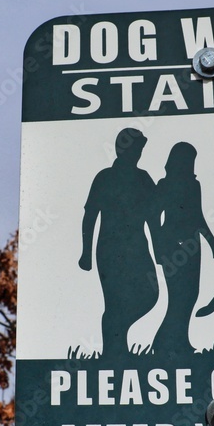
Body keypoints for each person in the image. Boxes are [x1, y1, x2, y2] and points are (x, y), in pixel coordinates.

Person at [79, 128, 159, 358]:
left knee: (150, 294)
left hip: (138, 248)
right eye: (136, 149)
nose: (138, 154)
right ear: (124, 149)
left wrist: (159, 247)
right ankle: (114, 353)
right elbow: (90, 214)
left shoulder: (143, 179)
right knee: (114, 302)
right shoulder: (104, 177)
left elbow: (153, 218)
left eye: (140, 150)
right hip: (109, 249)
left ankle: (117, 339)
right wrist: (85, 253)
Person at [152, 142, 214, 355]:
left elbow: (198, 216)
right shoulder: (163, 185)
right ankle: (164, 343)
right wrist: (158, 247)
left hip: (192, 245)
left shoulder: (194, 185)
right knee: (178, 296)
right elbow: (154, 217)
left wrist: (213, 245)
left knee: (191, 295)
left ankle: (179, 341)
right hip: (172, 245)